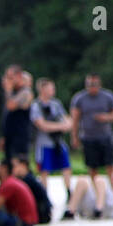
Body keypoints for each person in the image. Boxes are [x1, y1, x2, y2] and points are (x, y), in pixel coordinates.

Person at [30, 78, 75, 214]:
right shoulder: (36, 105)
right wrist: (61, 126)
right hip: (44, 144)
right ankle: (45, 197)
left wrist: (64, 125)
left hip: (58, 142)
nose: (52, 91)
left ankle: (69, 192)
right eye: (50, 88)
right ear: (42, 89)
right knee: (44, 170)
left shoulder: (56, 104)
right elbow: (41, 125)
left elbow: (67, 120)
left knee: (66, 167)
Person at [69, 73, 113, 179]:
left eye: (94, 84)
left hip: (105, 136)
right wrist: (74, 136)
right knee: (92, 166)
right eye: (90, 84)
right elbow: (75, 119)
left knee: (110, 164)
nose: (92, 87)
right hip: (88, 137)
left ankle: (112, 189)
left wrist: (106, 117)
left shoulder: (108, 96)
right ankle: (95, 189)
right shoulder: (79, 98)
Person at [0, 66, 33, 166]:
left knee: (19, 167)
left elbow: (11, 106)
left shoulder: (25, 92)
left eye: (10, 77)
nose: (7, 80)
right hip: (10, 137)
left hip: (20, 138)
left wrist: (8, 90)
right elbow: (7, 116)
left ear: (18, 76)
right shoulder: (13, 93)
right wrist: (3, 136)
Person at [12, 156, 53, 225]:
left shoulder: (28, 180)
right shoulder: (29, 177)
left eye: (15, 166)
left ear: (23, 165)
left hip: (42, 214)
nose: (12, 169)